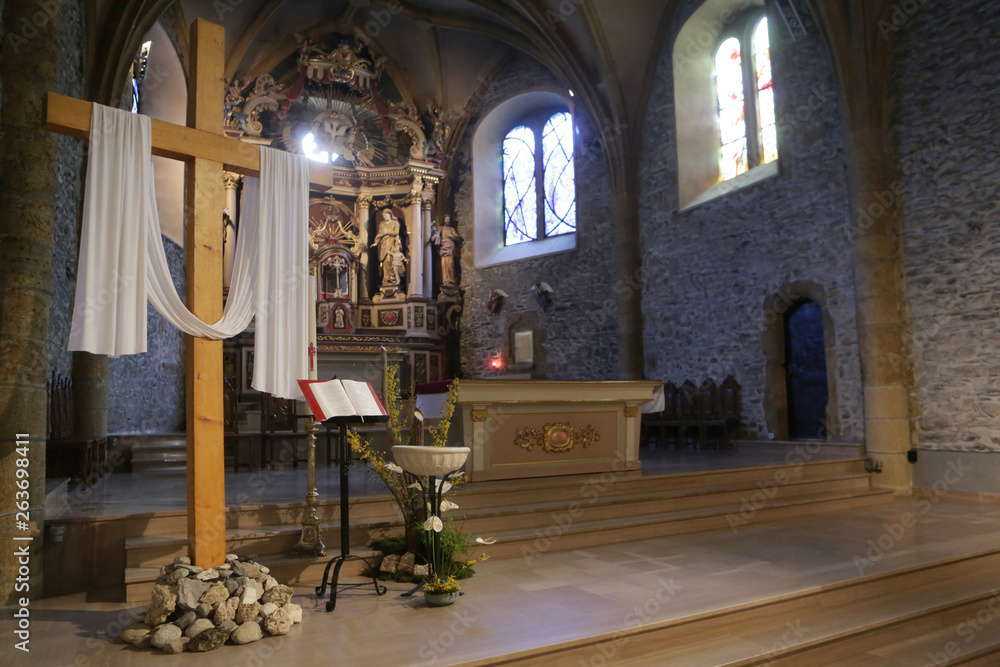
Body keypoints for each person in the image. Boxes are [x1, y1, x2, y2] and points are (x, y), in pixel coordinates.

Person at [372, 208, 402, 285]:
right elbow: (379, 234)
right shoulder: (382, 224)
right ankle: (386, 279)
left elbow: (396, 232)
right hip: (384, 244)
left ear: (390, 215)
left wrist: (387, 232)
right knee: (385, 262)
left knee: (390, 260)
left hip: (392, 244)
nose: (384, 217)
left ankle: (392, 278)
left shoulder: (395, 223)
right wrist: (376, 242)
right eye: (383, 216)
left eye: (386, 215)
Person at [437, 214, 462, 286]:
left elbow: (457, 238)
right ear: (444, 220)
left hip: (450, 248)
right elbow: (437, 237)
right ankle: (445, 280)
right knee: (444, 265)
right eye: (446, 219)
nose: (447, 220)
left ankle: (451, 280)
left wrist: (451, 236)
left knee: (450, 264)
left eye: (448, 219)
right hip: (443, 247)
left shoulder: (452, 229)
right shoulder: (441, 228)